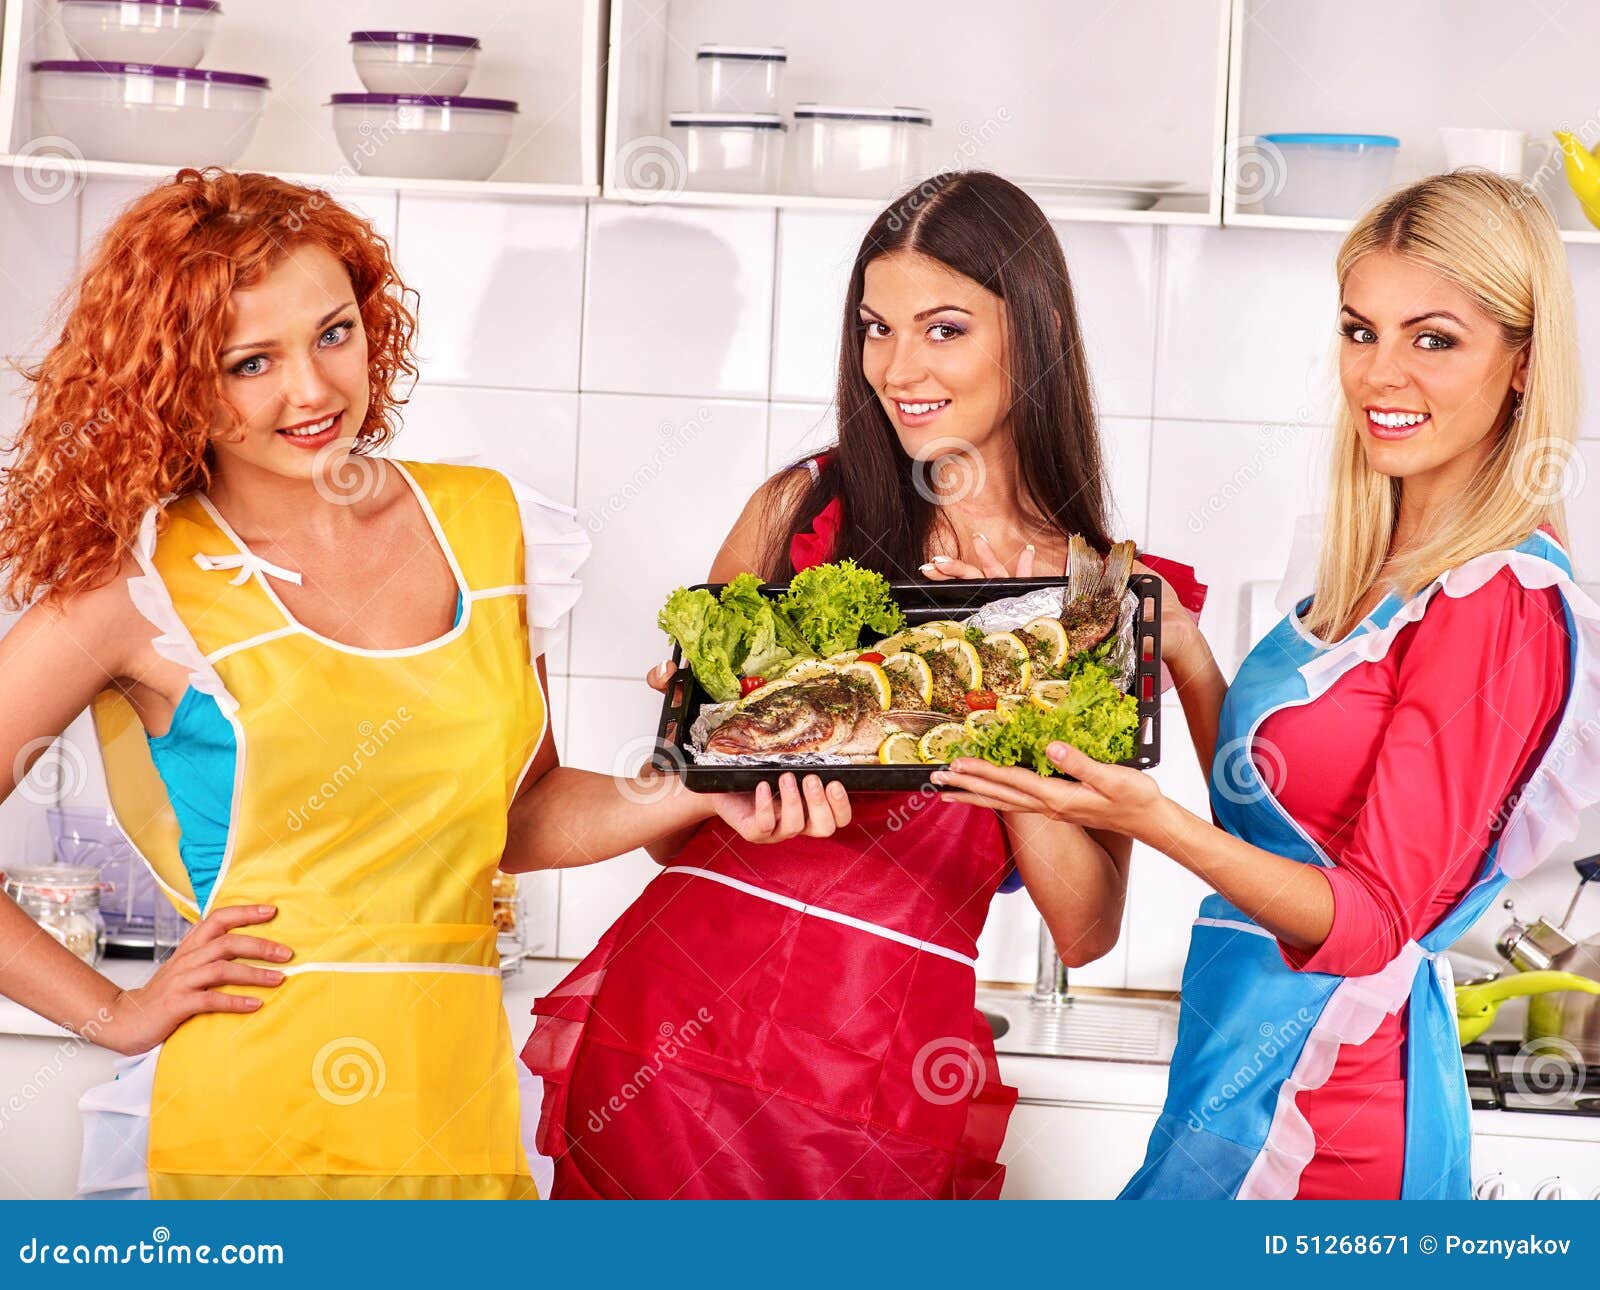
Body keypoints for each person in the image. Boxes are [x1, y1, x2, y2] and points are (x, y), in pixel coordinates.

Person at [0, 168, 848, 1200]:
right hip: (242, 1129)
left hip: (452, 1111)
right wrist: (115, 1013)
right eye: (249, 362)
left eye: (334, 333)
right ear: (175, 378)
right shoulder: (138, 589)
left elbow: (520, 815)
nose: (312, 392)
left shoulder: (489, 529)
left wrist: (693, 786)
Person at [522, 170, 1205, 1199]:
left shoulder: (1101, 593)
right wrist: (726, 756)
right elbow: (673, 825)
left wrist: (1001, 707)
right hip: (674, 1033)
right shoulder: (798, 508)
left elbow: (1086, 924)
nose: (897, 366)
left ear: (1033, 329)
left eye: (942, 329)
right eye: (874, 328)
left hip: (882, 1053)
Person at [932, 169, 1598, 1199]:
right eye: (1358, 329)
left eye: (1433, 339)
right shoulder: (1380, 566)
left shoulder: (1492, 599)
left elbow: (1371, 920)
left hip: (1332, 1100)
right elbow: (1274, 811)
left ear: (1520, 363)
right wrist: (1182, 646)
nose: (1380, 374)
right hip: (1236, 1065)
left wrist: (1146, 820)